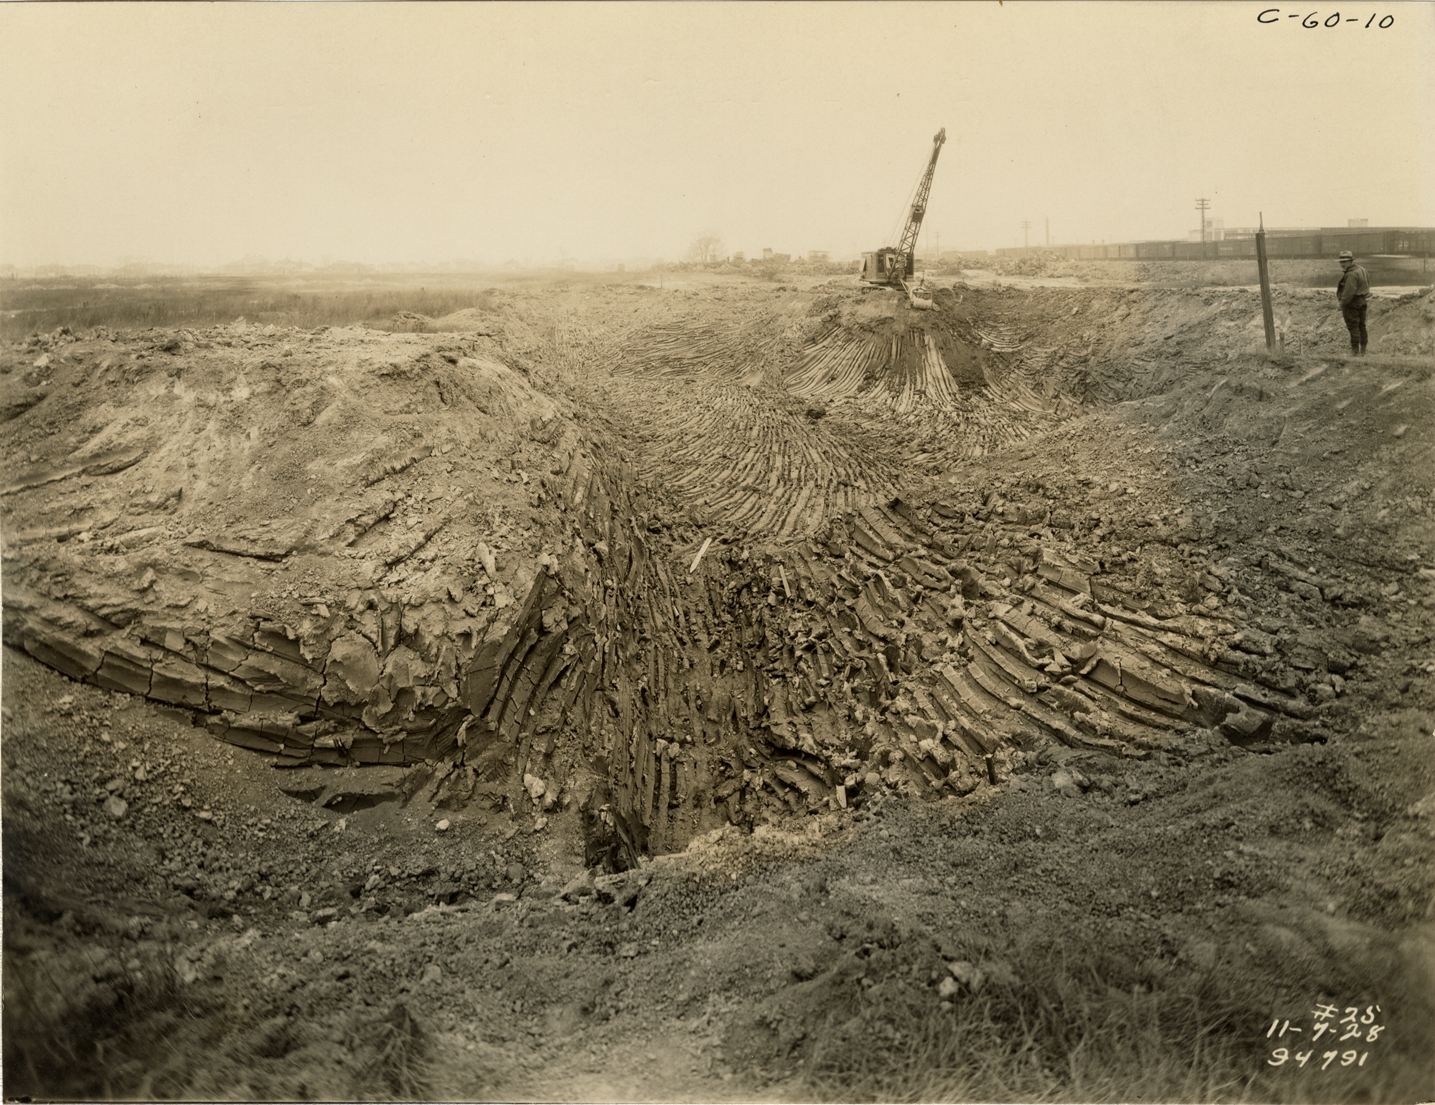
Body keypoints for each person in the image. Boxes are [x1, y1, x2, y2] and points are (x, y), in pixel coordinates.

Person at [1336, 250, 1370, 356]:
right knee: (1361, 326)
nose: (1342, 264)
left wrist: (1341, 305)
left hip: (1352, 303)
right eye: (1341, 261)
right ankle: (1363, 351)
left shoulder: (1351, 274)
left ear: (1351, 261)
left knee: (1353, 326)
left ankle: (1355, 352)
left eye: (1345, 262)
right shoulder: (1362, 270)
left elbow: (1348, 292)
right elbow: (1368, 284)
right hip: (1362, 300)